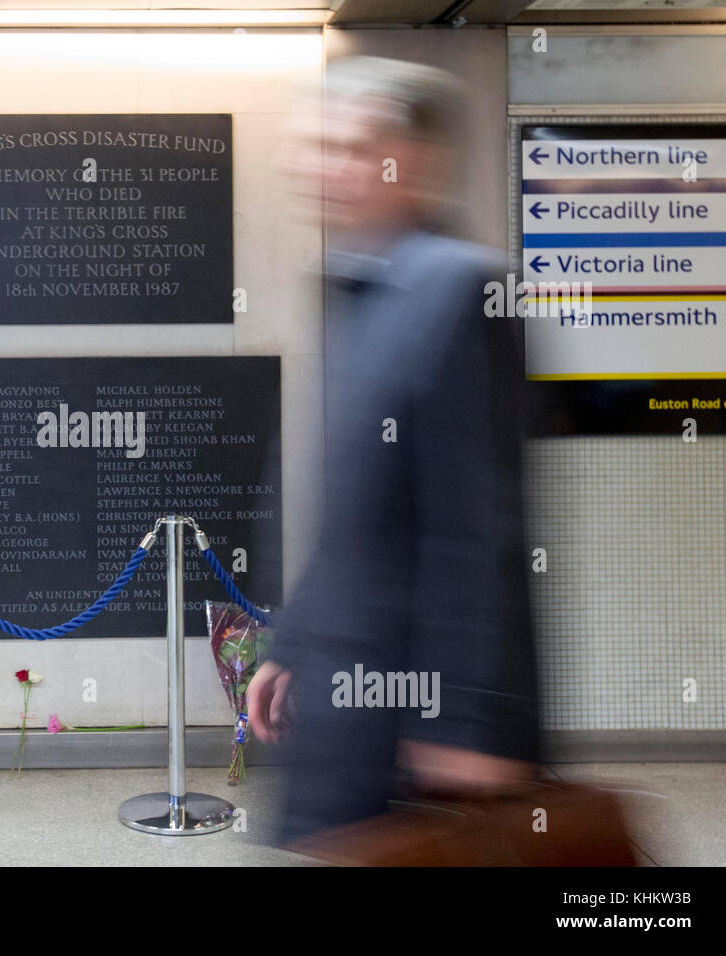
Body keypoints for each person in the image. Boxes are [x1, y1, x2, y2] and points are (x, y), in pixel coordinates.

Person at [249, 57, 540, 852]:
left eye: (346, 148)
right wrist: (294, 643)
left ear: (408, 160)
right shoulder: (357, 289)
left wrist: (467, 723)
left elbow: (478, 529)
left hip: (407, 729)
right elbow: (350, 506)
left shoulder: (459, 288)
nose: (317, 167)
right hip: (338, 705)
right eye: (313, 145)